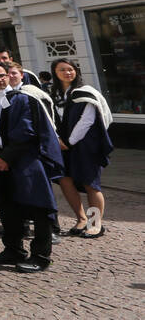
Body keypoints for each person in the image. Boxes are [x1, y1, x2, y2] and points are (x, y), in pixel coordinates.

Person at [0, 60, 62, 273]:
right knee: (7, 208)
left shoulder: (25, 100)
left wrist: (6, 158)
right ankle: (13, 249)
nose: (0, 79)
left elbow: (27, 132)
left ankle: (41, 256)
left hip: (26, 161)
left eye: (2, 75)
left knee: (38, 208)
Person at [49, 59, 112, 239]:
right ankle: (81, 219)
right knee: (65, 180)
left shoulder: (85, 93)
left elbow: (87, 121)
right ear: (55, 73)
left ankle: (95, 224)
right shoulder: (54, 95)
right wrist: (57, 139)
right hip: (61, 144)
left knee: (90, 183)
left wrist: (68, 142)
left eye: (70, 69)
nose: (67, 72)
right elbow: (49, 119)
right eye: (62, 70)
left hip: (84, 145)